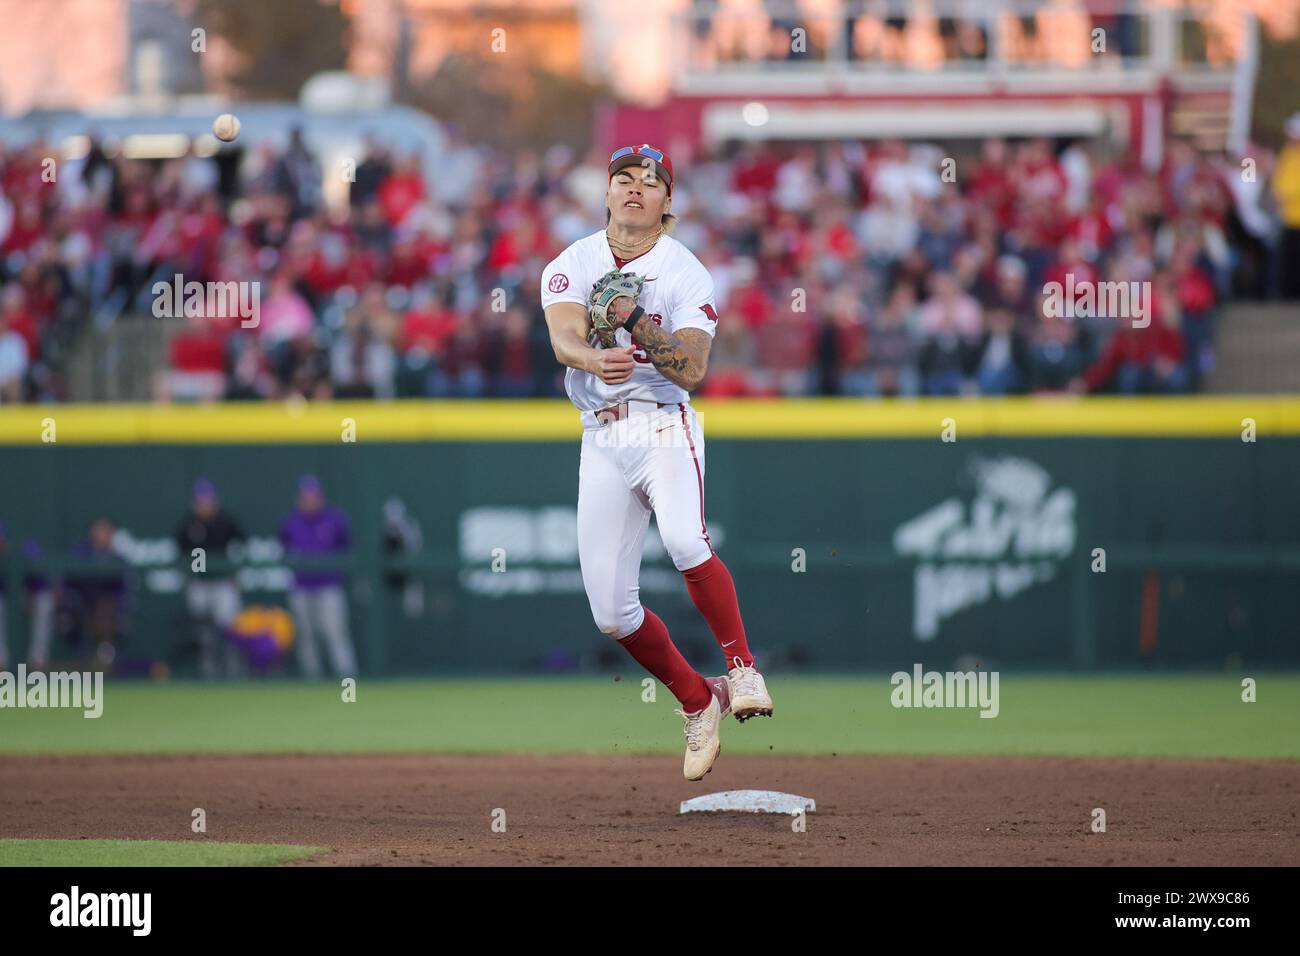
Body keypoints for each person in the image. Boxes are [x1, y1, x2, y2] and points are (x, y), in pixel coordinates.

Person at [540, 143, 773, 782]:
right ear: (607, 192)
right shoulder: (572, 261)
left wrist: (637, 322)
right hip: (601, 435)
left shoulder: (686, 271)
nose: (636, 188)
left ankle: (742, 667)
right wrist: (592, 357)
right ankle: (699, 701)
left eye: (651, 181)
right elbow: (563, 336)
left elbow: (694, 369)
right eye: (624, 178)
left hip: (664, 423)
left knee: (683, 539)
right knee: (611, 613)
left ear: (668, 200)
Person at [279, 475, 357, 678]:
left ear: (321, 497)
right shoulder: (290, 522)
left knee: (335, 632)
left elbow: (347, 548)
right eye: (306, 496)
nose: (310, 500)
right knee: (305, 635)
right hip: (301, 585)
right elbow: (283, 549)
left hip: (329, 585)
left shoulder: (335, 520)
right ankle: (312, 679)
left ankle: (346, 677)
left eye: (313, 495)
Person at [176, 479, 246, 678]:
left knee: (230, 628)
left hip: (223, 583)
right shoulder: (188, 524)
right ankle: (208, 671)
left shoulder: (226, 521)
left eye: (208, 500)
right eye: (201, 501)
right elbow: (180, 554)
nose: (205, 505)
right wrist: (187, 577)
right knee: (204, 632)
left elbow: (242, 546)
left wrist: (235, 572)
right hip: (199, 583)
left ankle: (234, 670)